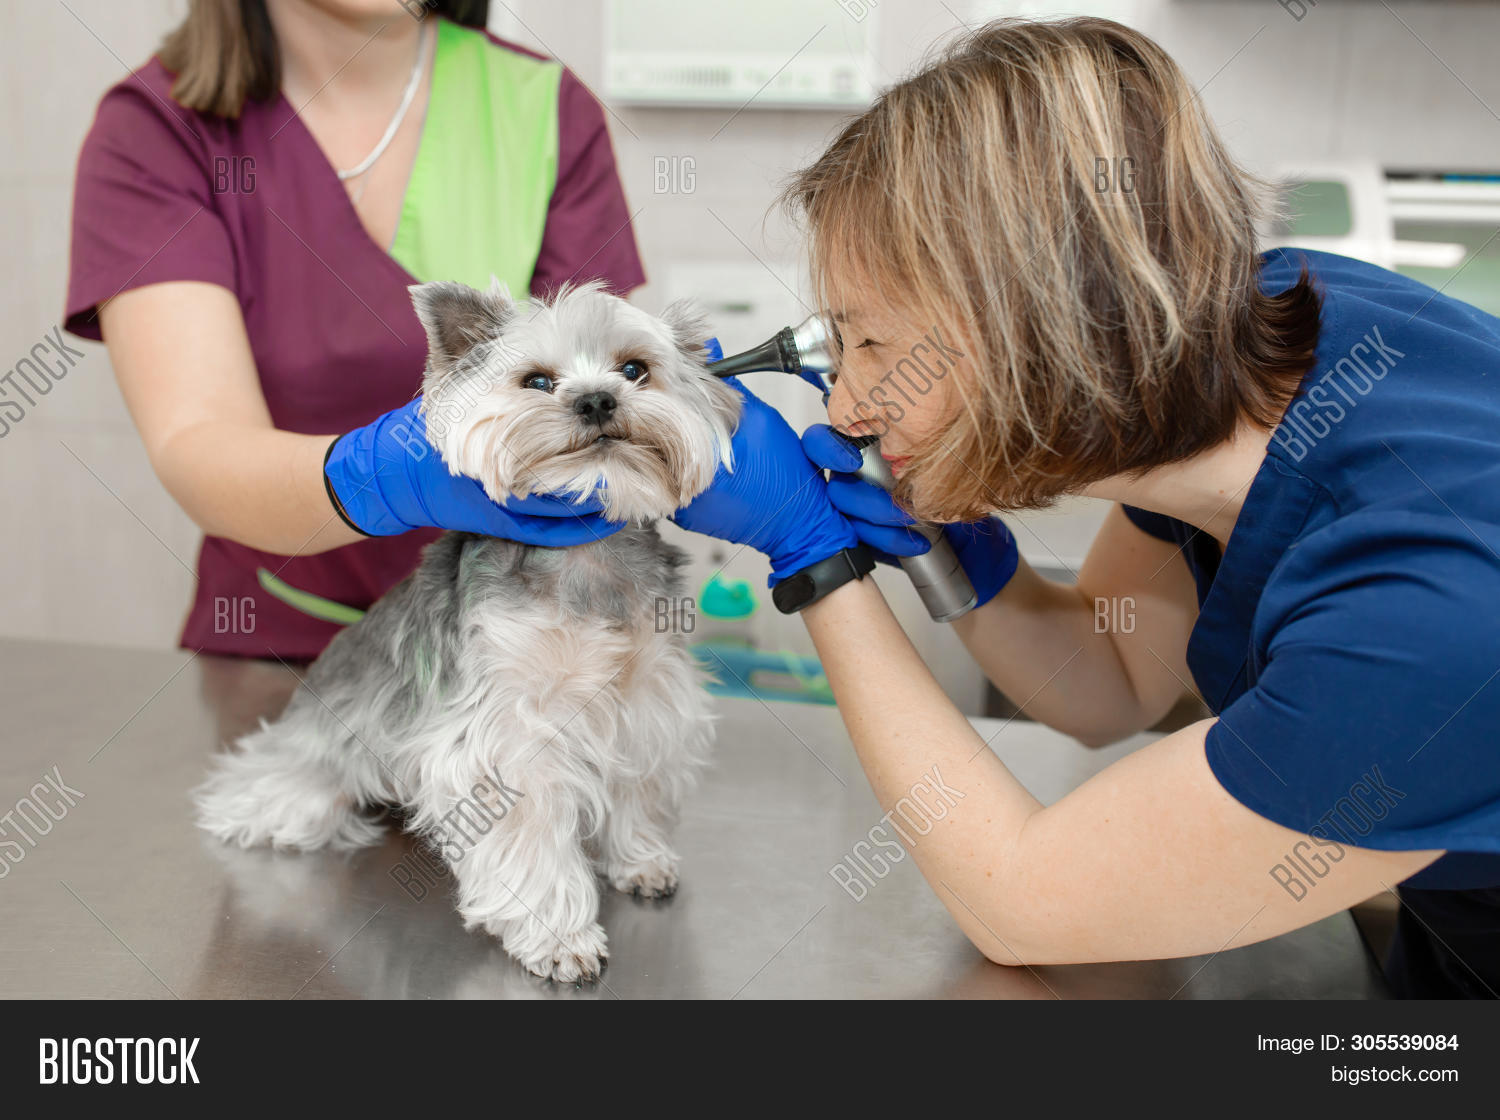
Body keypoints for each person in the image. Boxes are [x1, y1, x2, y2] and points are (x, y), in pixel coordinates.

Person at [673, 17, 1500, 997]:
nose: (845, 405)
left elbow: (1022, 902)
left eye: (876, 347)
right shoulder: (1253, 339)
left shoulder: (1429, 611)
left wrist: (814, 558)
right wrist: (962, 562)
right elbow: (1110, 677)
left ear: (1039, 325)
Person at [65, 0, 641, 659]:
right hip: (284, 658)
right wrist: (371, 480)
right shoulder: (158, 131)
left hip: (520, 654)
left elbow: (593, 407)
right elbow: (198, 439)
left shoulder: (546, 109)